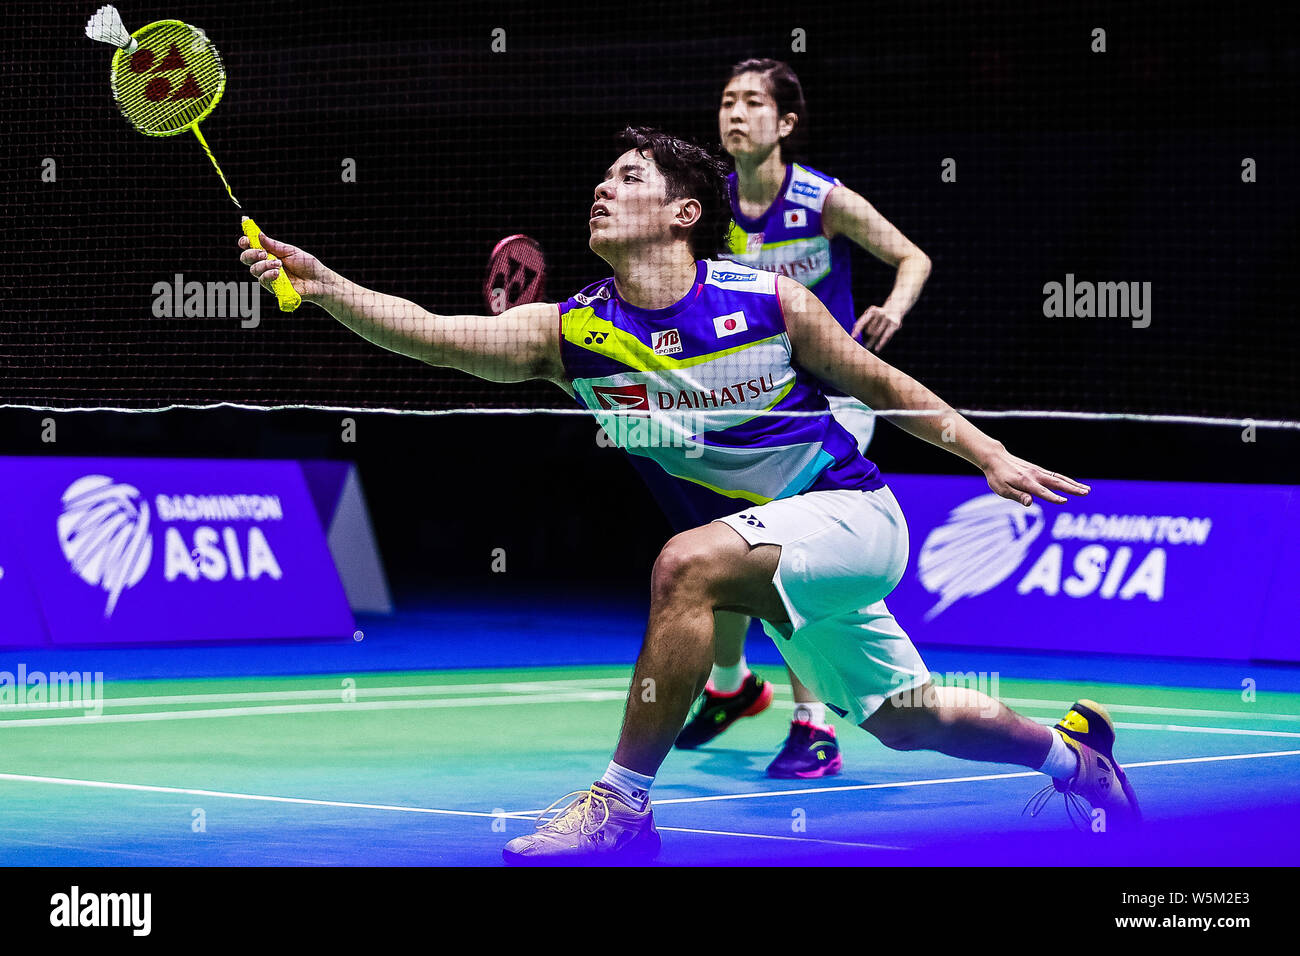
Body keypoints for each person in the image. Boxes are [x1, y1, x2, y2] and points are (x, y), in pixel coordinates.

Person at [236, 126, 1140, 864]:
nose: (601, 189)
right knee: (913, 722)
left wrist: (988, 454)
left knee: (685, 564)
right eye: (600, 177)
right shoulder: (574, 332)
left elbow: (882, 385)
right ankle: (1078, 758)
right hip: (781, 545)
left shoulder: (770, 302)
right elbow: (434, 335)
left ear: (682, 212)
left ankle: (622, 808)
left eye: (627, 178)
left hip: (856, 518)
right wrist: (322, 285)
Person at [660, 58, 934, 777]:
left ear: (784, 124)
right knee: (722, 548)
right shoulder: (707, 205)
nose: (734, 114)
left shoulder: (820, 198)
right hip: (742, 404)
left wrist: (891, 309)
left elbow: (912, 258)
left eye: (752, 102)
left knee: (784, 550)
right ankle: (730, 685)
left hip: (830, 402)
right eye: (726, 101)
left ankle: (813, 724)